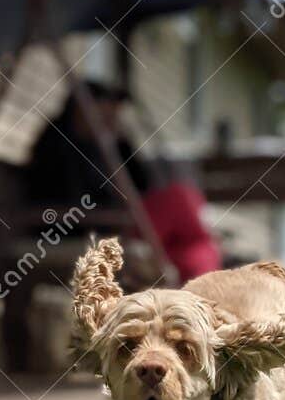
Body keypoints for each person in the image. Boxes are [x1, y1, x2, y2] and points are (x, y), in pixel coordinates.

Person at [26, 81, 220, 282]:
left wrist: (121, 143)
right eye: (105, 111)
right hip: (87, 227)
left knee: (192, 241)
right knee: (179, 200)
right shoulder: (58, 144)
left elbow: (142, 185)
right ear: (82, 109)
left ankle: (201, 285)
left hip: (118, 221)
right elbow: (74, 200)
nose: (112, 117)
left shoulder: (104, 143)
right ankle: (201, 283)